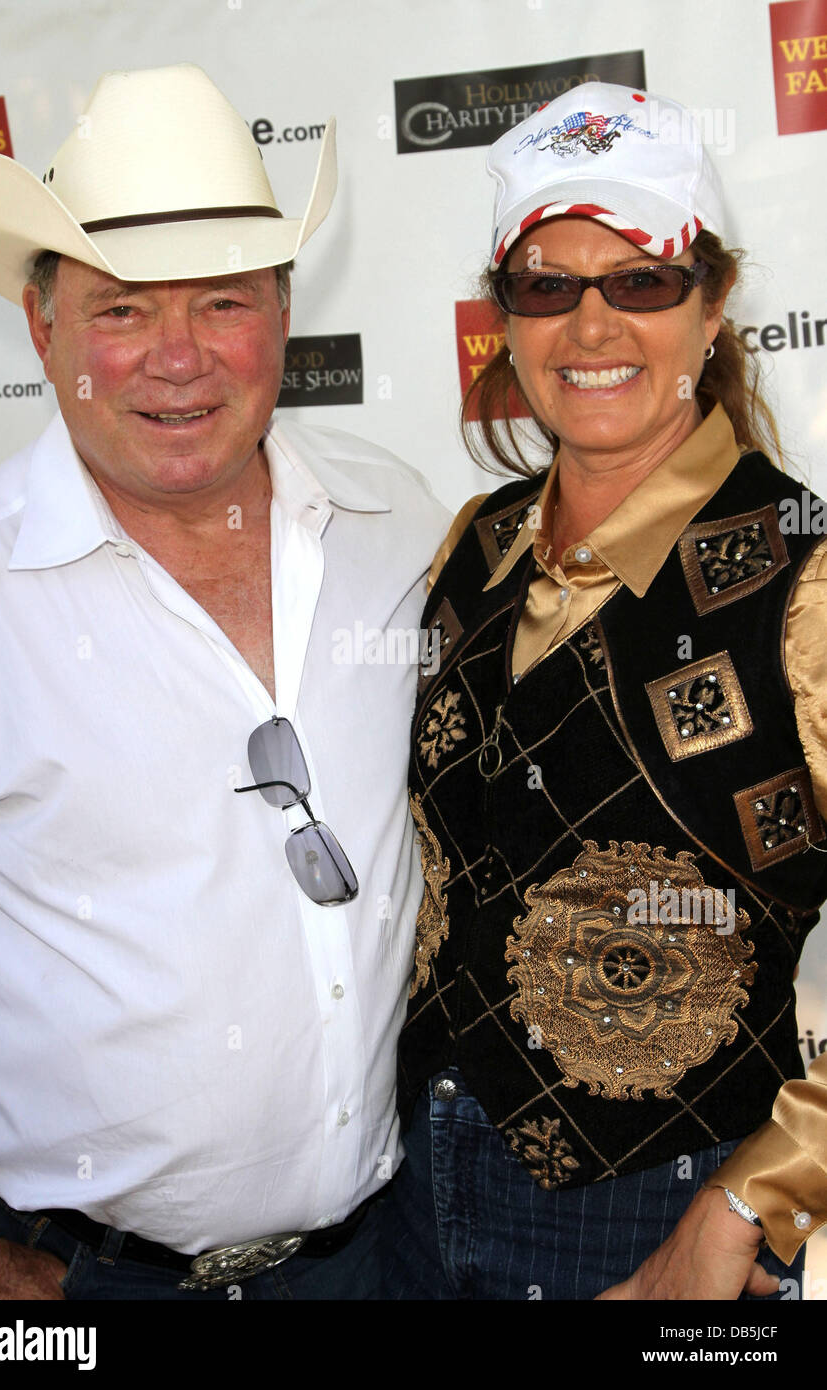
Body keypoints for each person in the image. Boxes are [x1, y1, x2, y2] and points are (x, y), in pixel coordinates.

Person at [0, 63, 448, 1300]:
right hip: (68, 1284)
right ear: (41, 326)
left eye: (222, 301)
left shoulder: (400, 521)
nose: (177, 358)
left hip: (378, 1263)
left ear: (284, 311)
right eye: (122, 309)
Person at [380, 81, 827, 1300]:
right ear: (505, 317)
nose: (592, 326)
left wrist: (755, 1200)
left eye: (640, 280)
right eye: (547, 284)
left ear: (714, 303)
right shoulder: (473, 545)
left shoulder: (805, 570)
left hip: (662, 1209)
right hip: (415, 1193)